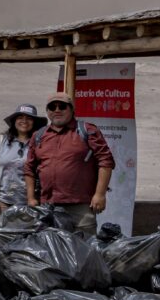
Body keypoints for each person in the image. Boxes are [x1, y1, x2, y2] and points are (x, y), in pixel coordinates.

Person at [24, 92, 113, 236]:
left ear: (72, 110)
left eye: (62, 106)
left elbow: (106, 162)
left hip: (80, 206)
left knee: (84, 249)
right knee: (53, 250)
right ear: (47, 112)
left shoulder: (87, 130)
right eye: (52, 107)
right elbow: (29, 168)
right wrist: (31, 198)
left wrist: (100, 194)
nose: (57, 110)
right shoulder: (39, 135)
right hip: (49, 206)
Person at [0, 104, 38, 219]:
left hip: (31, 202)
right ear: (14, 121)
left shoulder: (40, 143)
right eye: (20, 117)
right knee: (4, 234)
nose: (24, 121)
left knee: (27, 235)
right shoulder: (0, 142)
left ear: (34, 122)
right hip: (4, 201)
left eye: (29, 118)